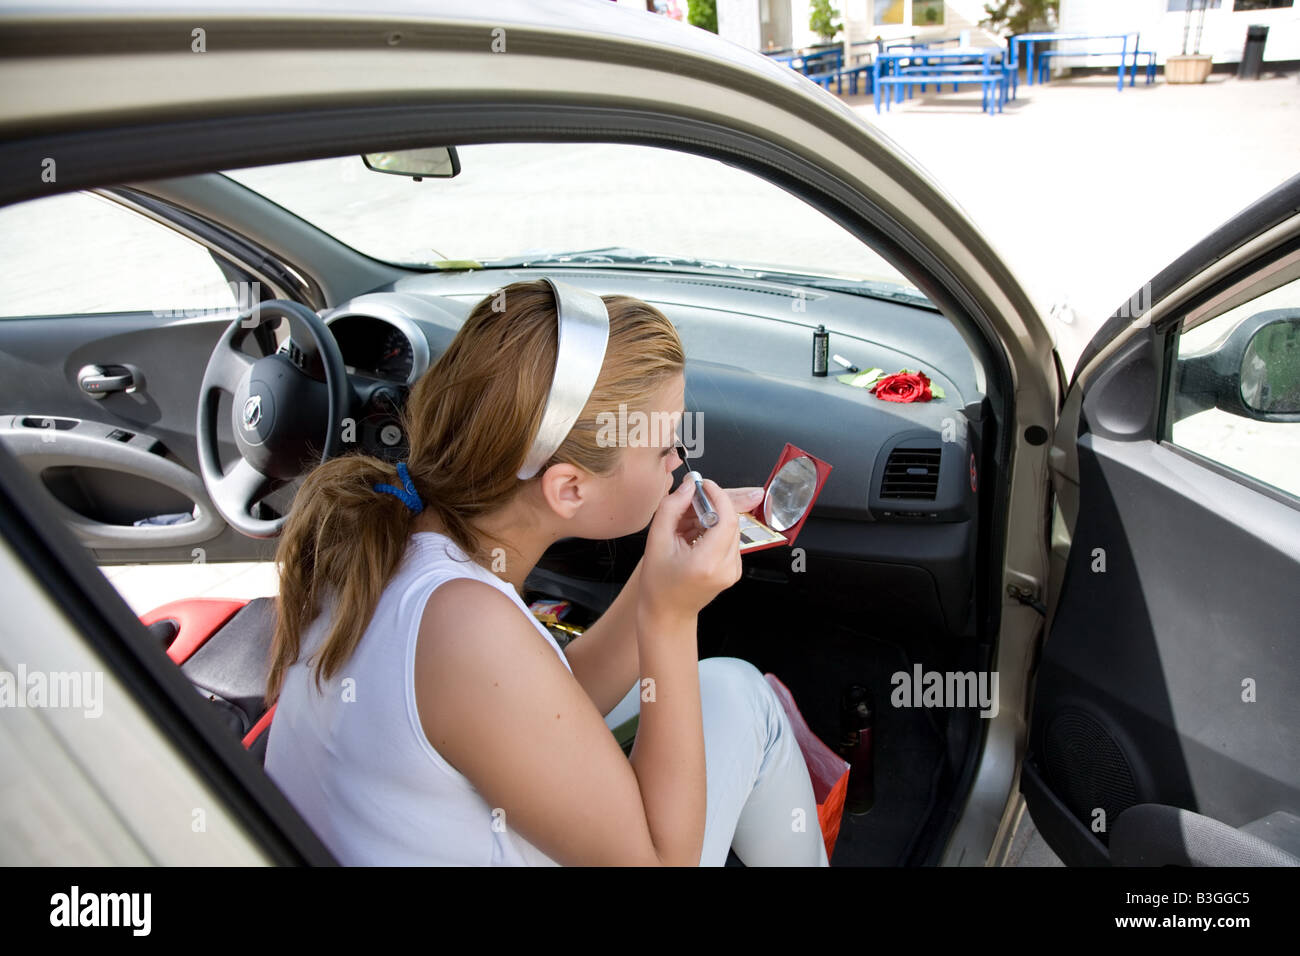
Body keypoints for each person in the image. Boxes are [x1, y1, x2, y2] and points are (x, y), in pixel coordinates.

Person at [263, 277, 829, 866]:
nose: (679, 462)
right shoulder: (466, 626)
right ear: (569, 488)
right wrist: (671, 616)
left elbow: (538, 705)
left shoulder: (386, 533)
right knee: (748, 701)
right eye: (664, 445)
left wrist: (656, 580)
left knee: (731, 689)